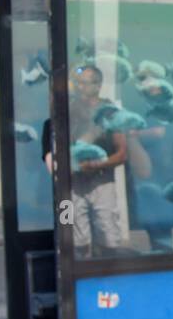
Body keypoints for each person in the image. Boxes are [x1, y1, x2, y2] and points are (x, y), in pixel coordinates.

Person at [40, 65, 127, 257]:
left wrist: (97, 164)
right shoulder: (67, 110)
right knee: (75, 237)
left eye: (84, 82)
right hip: (73, 182)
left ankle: (107, 277)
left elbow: (122, 153)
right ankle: (80, 275)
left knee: (108, 234)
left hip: (102, 181)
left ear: (98, 85)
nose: (79, 87)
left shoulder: (110, 111)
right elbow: (54, 148)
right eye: (77, 82)